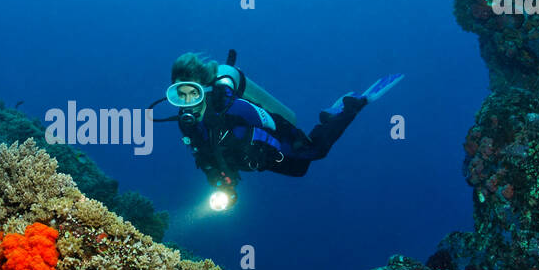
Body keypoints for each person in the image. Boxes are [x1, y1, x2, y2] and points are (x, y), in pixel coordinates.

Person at [163, 50, 400, 210]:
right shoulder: (186, 124)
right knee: (299, 171)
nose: (187, 101)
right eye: (179, 95)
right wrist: (220, 181)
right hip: (256, 159)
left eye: (192, 92)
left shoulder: (231, 108)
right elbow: (202, 155)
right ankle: (332, 115)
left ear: (203, 89)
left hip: (275, 142)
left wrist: (293, 137)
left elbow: (267, 119)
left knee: (316, 152)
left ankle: (353, 105)